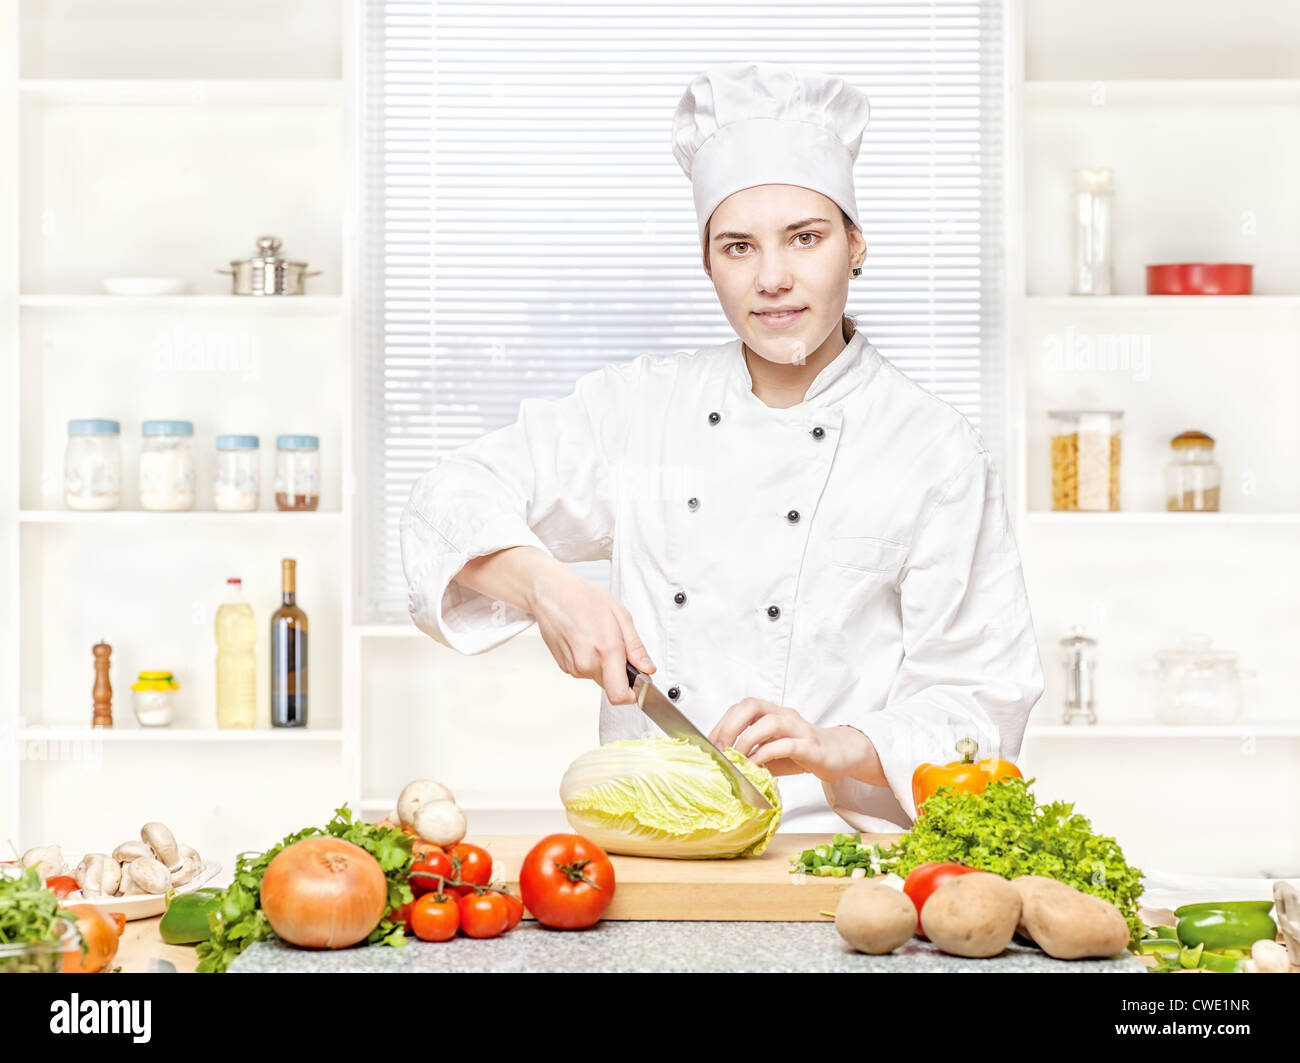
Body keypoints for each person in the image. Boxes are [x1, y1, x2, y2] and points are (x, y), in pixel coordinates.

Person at [401, 61, 1044, 834]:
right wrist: (547, 586)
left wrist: (836, 744)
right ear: (708, 263)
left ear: (856, 245)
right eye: (738, 247)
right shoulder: (640, 410)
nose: (773, 277)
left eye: (804, 239)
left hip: (836, 857)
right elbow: (448, 499)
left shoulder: (933, 449)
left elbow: (980, 698)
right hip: (644, 847)